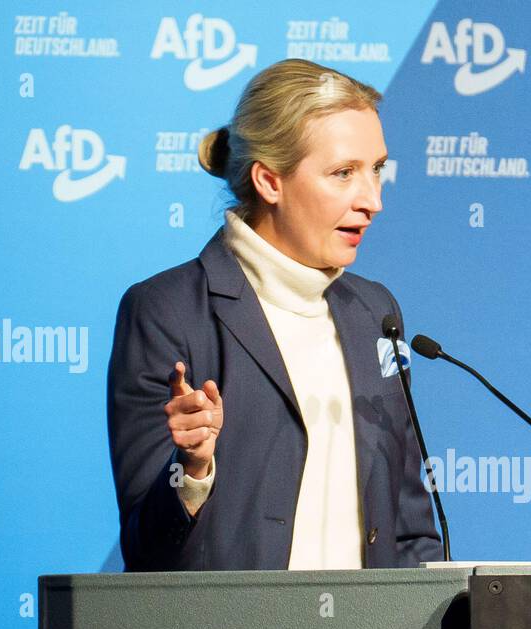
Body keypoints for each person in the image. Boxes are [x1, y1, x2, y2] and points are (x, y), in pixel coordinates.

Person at [107, 59, 442, 571]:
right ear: (269, 181)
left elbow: (410, 529)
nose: (372, 200)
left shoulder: (376, 312)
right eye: (343, 173)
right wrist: (192, 470)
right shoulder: (166, 312)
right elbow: (146, 547)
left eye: (376, 169)